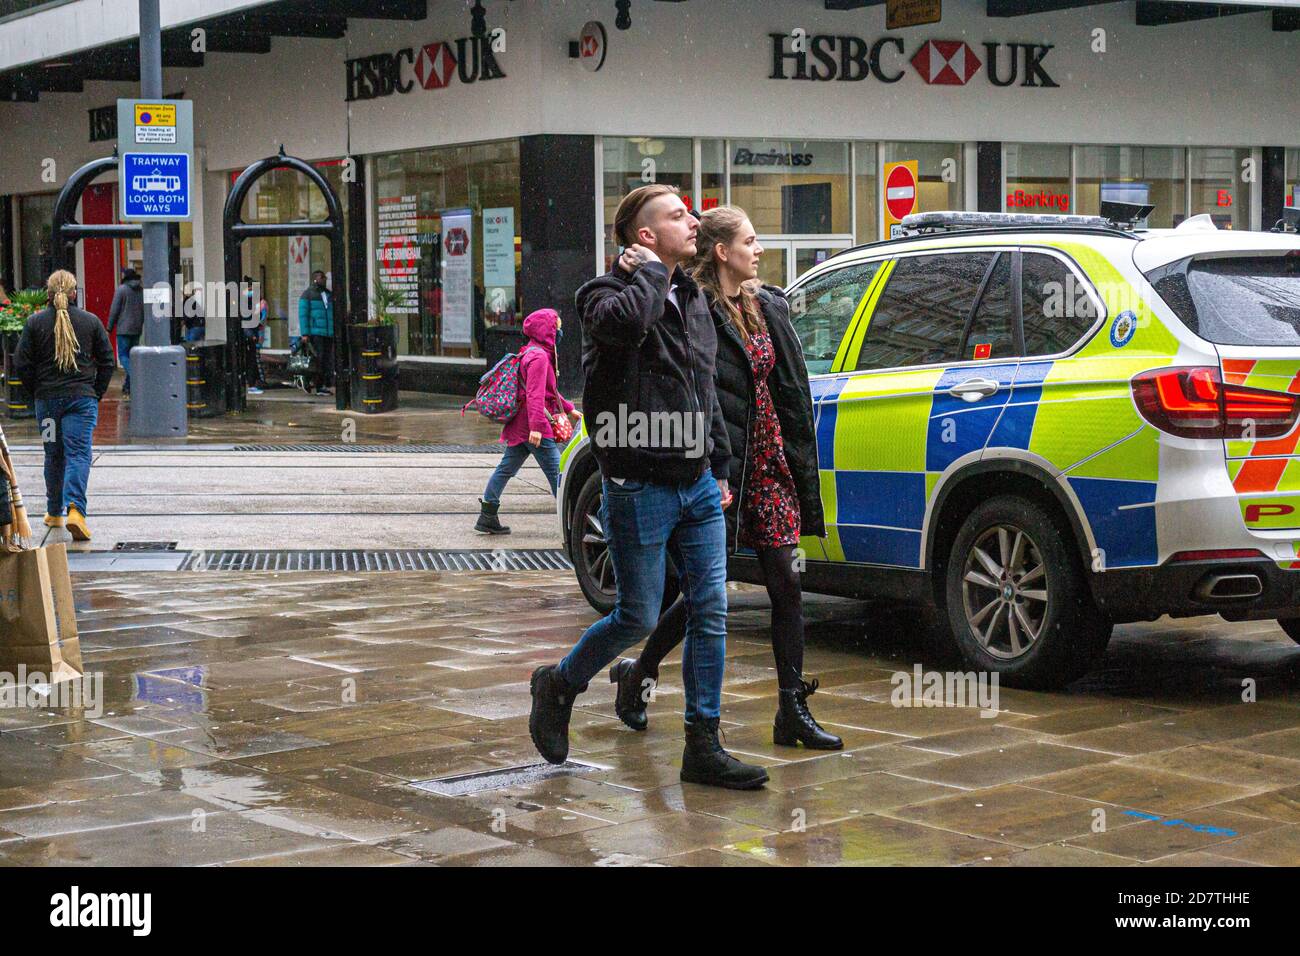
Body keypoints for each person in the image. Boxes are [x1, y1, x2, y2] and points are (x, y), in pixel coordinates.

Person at [528, 184, 768, 790]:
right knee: (635, 614)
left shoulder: (693, 298)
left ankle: (703, 743)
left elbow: (706, 389)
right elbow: (630, 324)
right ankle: (559, 682)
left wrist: (718, 467)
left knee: (710, 609)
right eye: (677, 216)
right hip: (638, 488)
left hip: (696, 487)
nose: (692, 223)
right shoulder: (603, 296)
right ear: (645, 237)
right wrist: (650, 275)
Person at [611, 206, 840, 750]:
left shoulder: (768, 307)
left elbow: (788, 388)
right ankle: (640, 671)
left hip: (770, 465)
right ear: (722, 252)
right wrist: (713, 466)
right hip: (727, 465)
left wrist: (799, 459)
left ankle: (792, 710)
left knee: (786, 582)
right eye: (751, 241)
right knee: (702, 594)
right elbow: (696, 393)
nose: (759, 251)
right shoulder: (697, 310)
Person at [12, 270, 114, 542]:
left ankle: (54, 511)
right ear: (74, 293)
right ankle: (75, 511)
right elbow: (107, 362)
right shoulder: (90, 321)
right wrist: (95, 392)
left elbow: (21, 363)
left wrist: (37, 391)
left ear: (47, 293)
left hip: (47, 402)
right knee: (78, 454)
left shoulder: (34, 323)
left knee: (53, 454)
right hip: (81, 400)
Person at [475, 308, 580, 535]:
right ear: (547, 331)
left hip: (521, 425)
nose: (559, 333)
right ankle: (573, 521)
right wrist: (537, 428)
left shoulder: (531, 351)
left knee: (505, 468)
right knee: (559, 474)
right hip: (534, 427)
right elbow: (535, 395)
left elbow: (547, 391)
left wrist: (570, 409)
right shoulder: (540, 357)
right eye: (557, 328)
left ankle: (487, 514)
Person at [107, 267, 143, 398]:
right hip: (136, 329)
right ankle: (128, 387)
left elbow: (114, 310)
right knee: (132, 356)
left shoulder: (121, 290)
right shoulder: (141, 290)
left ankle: (136, 377)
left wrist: (109, 328)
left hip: (123, 329)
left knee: (123, 356)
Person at [298, 270, 334, 396]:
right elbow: (303, 315)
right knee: (318, 359)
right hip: (316, 332)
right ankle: (318, 386)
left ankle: (310, 381)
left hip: (328, 332)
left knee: (324, 360)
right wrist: (305, 333)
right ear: (315, 279)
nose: (324, 279)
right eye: (321, 277)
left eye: (324, 277)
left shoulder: (328, 294)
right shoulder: (307, 294)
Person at [243, 276, 267, 395]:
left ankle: (256, 381)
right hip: (251, 334)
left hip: (254, 333)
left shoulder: (257, 302)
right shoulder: (247, 301)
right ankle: (254, 382)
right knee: (252, 359)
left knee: (254, 358)